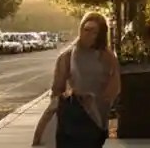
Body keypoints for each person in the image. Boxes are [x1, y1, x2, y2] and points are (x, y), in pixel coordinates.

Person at [42, 12, 119, 147]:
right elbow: (57, 89)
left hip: (98, 118)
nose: (87, 34)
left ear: (100, 35)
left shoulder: (108, 56)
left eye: (93, 31)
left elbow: (115, 86)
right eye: (86, 29)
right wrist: (71, 96)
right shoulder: (68, 56)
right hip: (74, 117)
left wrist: (101, 101)